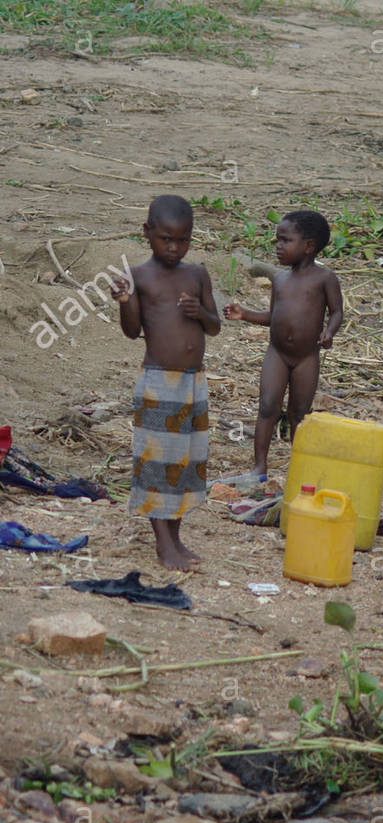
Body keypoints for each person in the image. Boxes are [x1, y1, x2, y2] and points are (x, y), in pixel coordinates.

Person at [109, 195, 220, 570]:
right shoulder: (139, 277)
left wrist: (200, 312)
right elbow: (131, 331)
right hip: (158, 382)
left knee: (184, 462)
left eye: (182, 239)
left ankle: (175, 536)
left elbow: (215, 327)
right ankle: (162, 544)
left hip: (193, 381)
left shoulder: (197, 275)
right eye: (165, 239)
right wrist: (125, 300)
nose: (174, 248)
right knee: (158, 462)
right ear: (147, 234)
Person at [223, 210, 343, 475]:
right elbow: (272, 317)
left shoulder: (324, 279)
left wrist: (330, 332)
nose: (277, 246)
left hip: (306, 357)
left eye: (285, 240)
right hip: (277, 353)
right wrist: (245, 315)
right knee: (267, 407)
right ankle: (259, 467)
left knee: (299, 413)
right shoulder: (279, 279)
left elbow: (336, 312)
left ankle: (299, 469)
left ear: (309, 246)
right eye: (277, 239)